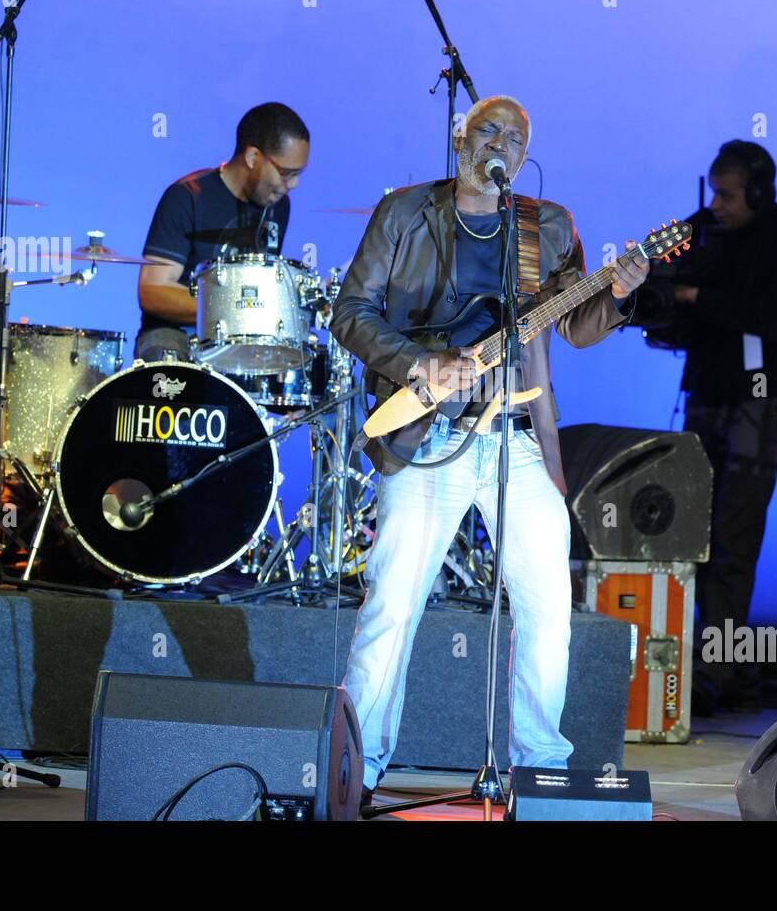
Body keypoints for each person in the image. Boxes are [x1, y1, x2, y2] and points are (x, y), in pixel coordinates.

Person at [330, 95, 649, 806]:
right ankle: (359, 765)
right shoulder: (404, 213)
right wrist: (420, 363)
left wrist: (620, 295)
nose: (501, 143)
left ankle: (541, 767)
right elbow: (349, 313)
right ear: (459, 136)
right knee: (394, 603)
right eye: (489, 131)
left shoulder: (545, 225)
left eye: (516, 137)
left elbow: (575, 325)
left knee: (547, 604)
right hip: (428, 435)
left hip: (517, 437)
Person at [652, 140, 777, 713]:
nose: (717, 205)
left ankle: (721, 667)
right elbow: (665, 288)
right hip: (706, 394)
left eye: (727, 195)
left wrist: (696, 296)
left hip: (759, 401)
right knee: (690, 533)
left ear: (757, 192)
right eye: (713, 192)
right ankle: (698, 660)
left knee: (732, 538)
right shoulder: (701, 232)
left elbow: (772, 321)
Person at [135, 102, 309, 362]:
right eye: (287, 173)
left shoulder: (278, 205)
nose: (293, 184)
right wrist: (234, 313)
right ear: (252, 158)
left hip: (240, 341)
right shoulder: (187, 197)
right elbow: (153, 290)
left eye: (298, 174)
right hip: (179, 334)